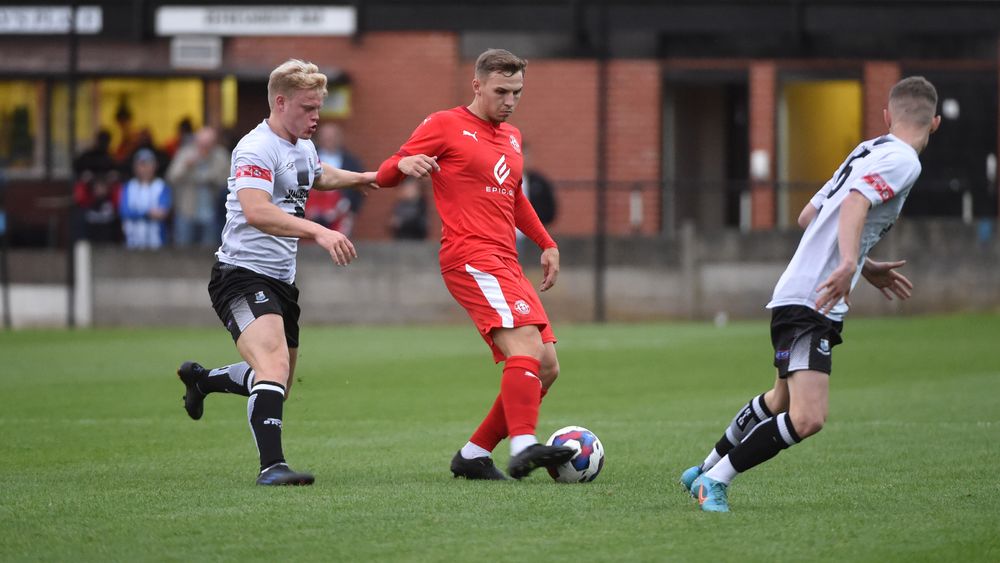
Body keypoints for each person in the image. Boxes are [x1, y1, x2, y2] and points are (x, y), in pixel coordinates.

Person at [680, 76, 941, 512]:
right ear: (935, 123)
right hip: (811, 302)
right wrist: (846, 263)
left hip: (796, 293)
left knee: (779, 400)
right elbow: (856, 202)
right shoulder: (903, 161)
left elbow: (808, 216)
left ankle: (702, 467)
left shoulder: (868, 150)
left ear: (886, 116)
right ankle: (715, 480)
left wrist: (863, 264)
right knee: (808, 417)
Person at [173, 59, 377, 486]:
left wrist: (364, 177)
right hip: (240, 274)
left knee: (277, 377)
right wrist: (319, 231)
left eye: (319, 107)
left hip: (281, 281)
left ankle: (202, 379)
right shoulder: (254, 147)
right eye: (308, 108)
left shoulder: (301, 143)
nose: (316, 117)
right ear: (280, 103)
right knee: (274, 365)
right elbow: (256, 211)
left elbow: (317, 175)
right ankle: (272, 467)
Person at [376, 48, 575, 480]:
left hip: (506, 259)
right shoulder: (444, 124)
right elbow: (388, 171)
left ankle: (473, 454)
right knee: (523, 349)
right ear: (477, 85)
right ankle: (524, 444)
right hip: (470, 256)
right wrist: (404, 164)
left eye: (517, 92)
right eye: (501, 91)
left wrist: (545, 241)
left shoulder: (512, 136)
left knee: (546, 366)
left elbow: (514, 194)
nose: (509, 100)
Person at [167, 126, 230, 247]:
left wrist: (207, 177)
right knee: (183, 250)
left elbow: (227, 180)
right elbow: (172, 177)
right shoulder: (185, 153)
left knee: (208, 252)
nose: (204, 148)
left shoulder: (221, 156)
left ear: (214, 143)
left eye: (208, 144)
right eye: (201, 144)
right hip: (186, 211)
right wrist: (186, 166)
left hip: (212, 213)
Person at [305, 122, 365, 235]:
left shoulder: (351, 162)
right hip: (310, 212)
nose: (329, 140)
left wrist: (351, 210)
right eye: (326, 137)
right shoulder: (307, 158)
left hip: (340, 214)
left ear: (339, 138)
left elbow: (358, 187)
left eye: (332, 137)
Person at [119, 148, 172, 249]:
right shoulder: (128, 187)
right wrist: (147, 213)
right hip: (132, 241)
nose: (145, 168)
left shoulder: (161, 186)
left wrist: (140, 213)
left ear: (155, 166)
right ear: (135, 167)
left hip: (156, 241)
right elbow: (124, 211)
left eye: (149, 164)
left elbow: (163, 211)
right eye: (142, 164)